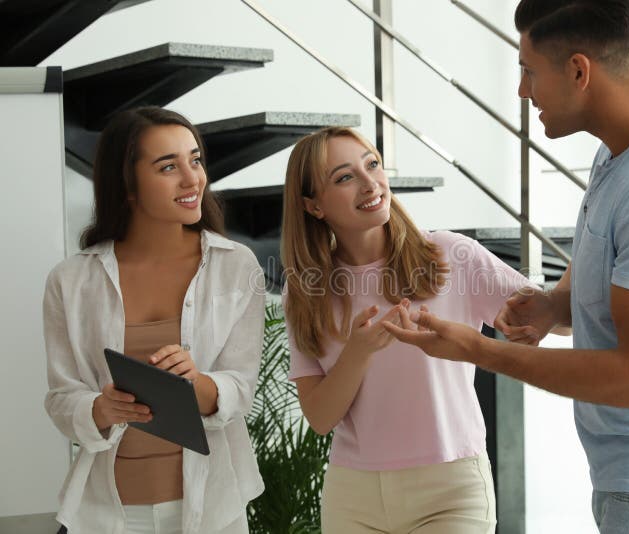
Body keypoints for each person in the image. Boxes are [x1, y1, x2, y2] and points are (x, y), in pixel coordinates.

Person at [383, 1, 629, 533]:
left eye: (529, 71)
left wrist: (475, 348)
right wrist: (552, 306)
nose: (522, 91)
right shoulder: (623, 153)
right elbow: (609, 268)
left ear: (579, 71)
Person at [280, 126, 536, 534]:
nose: (370, 184)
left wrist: (546, 312)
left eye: (373, 165)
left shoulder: (450, 255)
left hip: (450, 488)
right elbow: (320, 418)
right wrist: (358, 352)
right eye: (345, 177)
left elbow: (550, 315)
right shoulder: (307, 293)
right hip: (354, 496)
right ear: (313, 206)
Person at [43, 107, 265, 534]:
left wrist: (199, 383)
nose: (192, 178)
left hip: (212, 508)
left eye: (195, 160)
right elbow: (61, 397)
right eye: (168, 166)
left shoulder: (236, 266)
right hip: (110, 513)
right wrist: (100, 409)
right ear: (127, 184)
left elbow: (241, 386)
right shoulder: (71, 281)